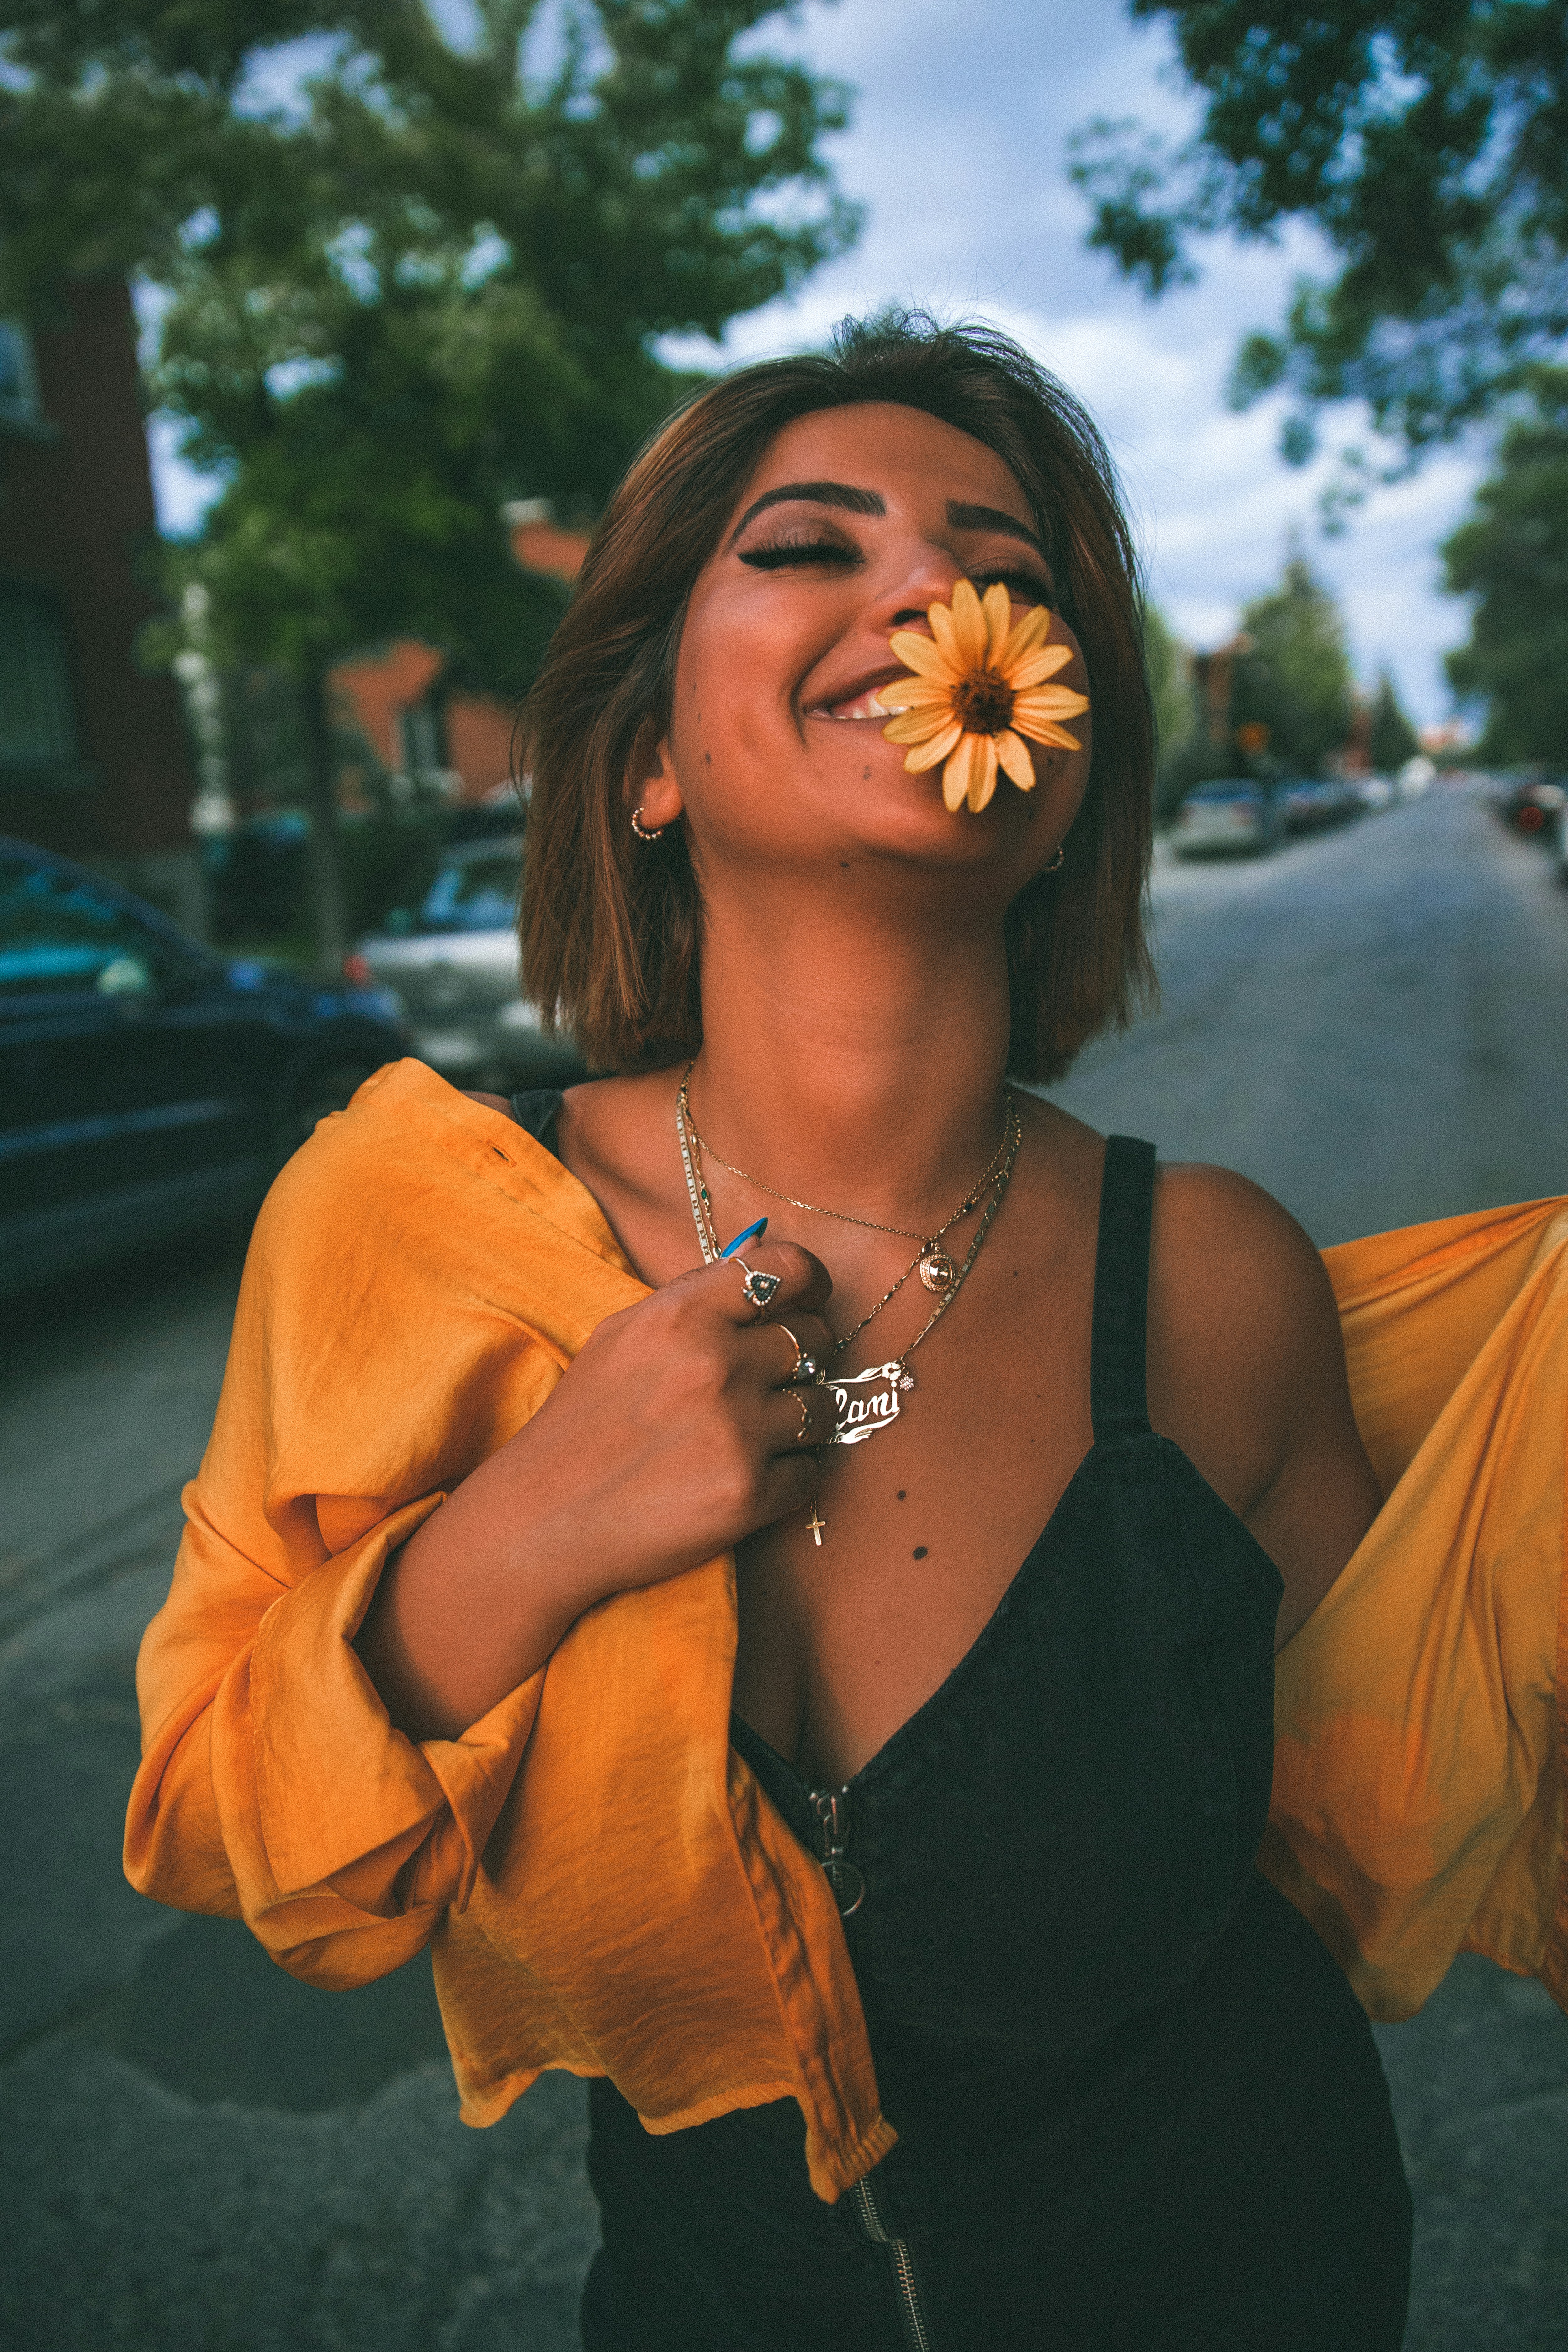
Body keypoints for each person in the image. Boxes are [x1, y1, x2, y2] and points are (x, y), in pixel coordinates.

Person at [129, 314, 1563, 2350]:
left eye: (1008, 573)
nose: (934, 595)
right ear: (640, 756)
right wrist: (517, 1537)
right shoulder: (402, 1223)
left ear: (1063, 784)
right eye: (812, 543)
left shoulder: (1217, 1289)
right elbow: (228, 1836)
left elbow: (1415, 1809)